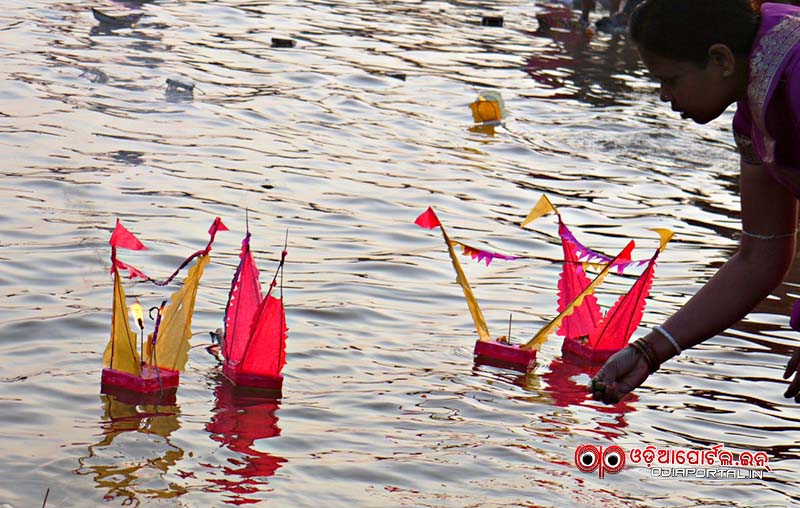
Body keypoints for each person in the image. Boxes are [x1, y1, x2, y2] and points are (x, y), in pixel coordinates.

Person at [590, 0, 800, 404]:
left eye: (670, 79)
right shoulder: (754, 116)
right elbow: (759, 258)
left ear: (720, 59)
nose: (664, 96)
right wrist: (649, 351)